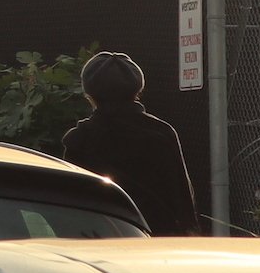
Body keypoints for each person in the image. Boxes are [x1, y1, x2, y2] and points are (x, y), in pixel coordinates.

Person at [59, 51, 202, 235]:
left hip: (98, 237)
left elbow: (72, 202)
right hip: (157, 239)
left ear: (89, 94)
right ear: (137, 90)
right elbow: (182, 201)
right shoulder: (162, 133)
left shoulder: (80, 139)